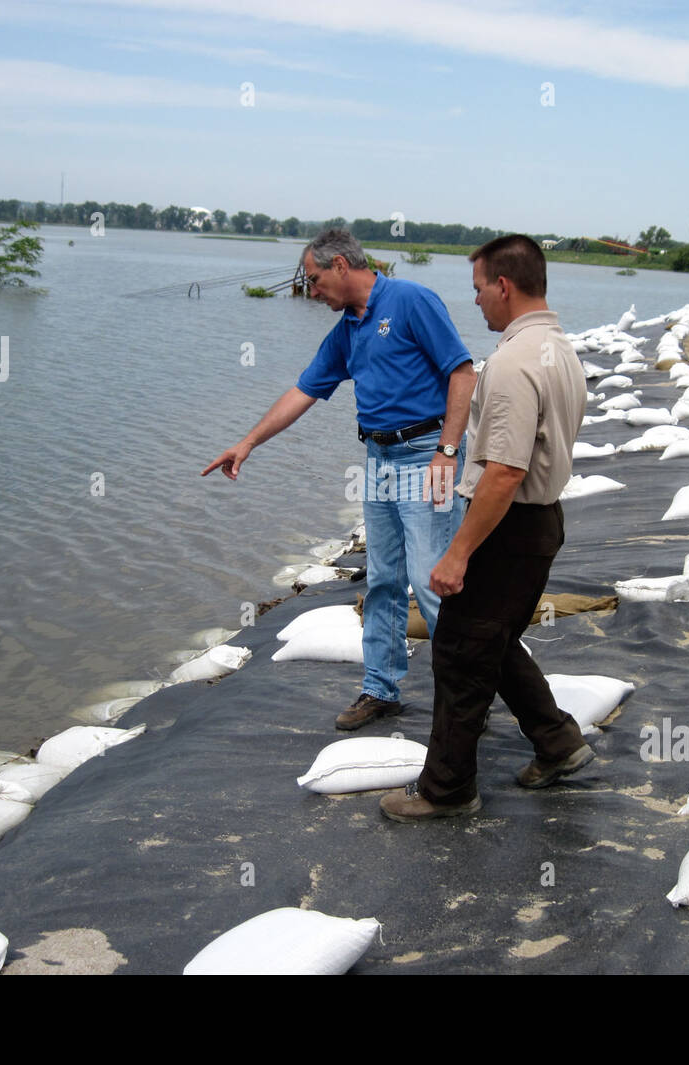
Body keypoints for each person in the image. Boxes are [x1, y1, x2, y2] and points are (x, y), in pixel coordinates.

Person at [202, 228, 475, 730]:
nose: (311, 290)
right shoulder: (348, 331)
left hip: (426, 456)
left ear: (342, 266)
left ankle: (464, 702)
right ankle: (381, 689)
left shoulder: (411, 300)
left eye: (314, 279)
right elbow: (302, 392)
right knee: (384, 579)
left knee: (431, 580)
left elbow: (462, 373)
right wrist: (247, 443)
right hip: (378, 459)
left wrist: (447, 451)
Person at [380, 234, 593, 823]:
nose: (475, 301)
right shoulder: (558, 349)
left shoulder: (511, 363)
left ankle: (448, 790)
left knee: (458, 653)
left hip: (510, 526)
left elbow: (502, 472)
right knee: (491, 645)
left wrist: (457, 554)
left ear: (504, 285)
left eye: (478, 289)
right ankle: (558, 742)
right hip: (539, 522)